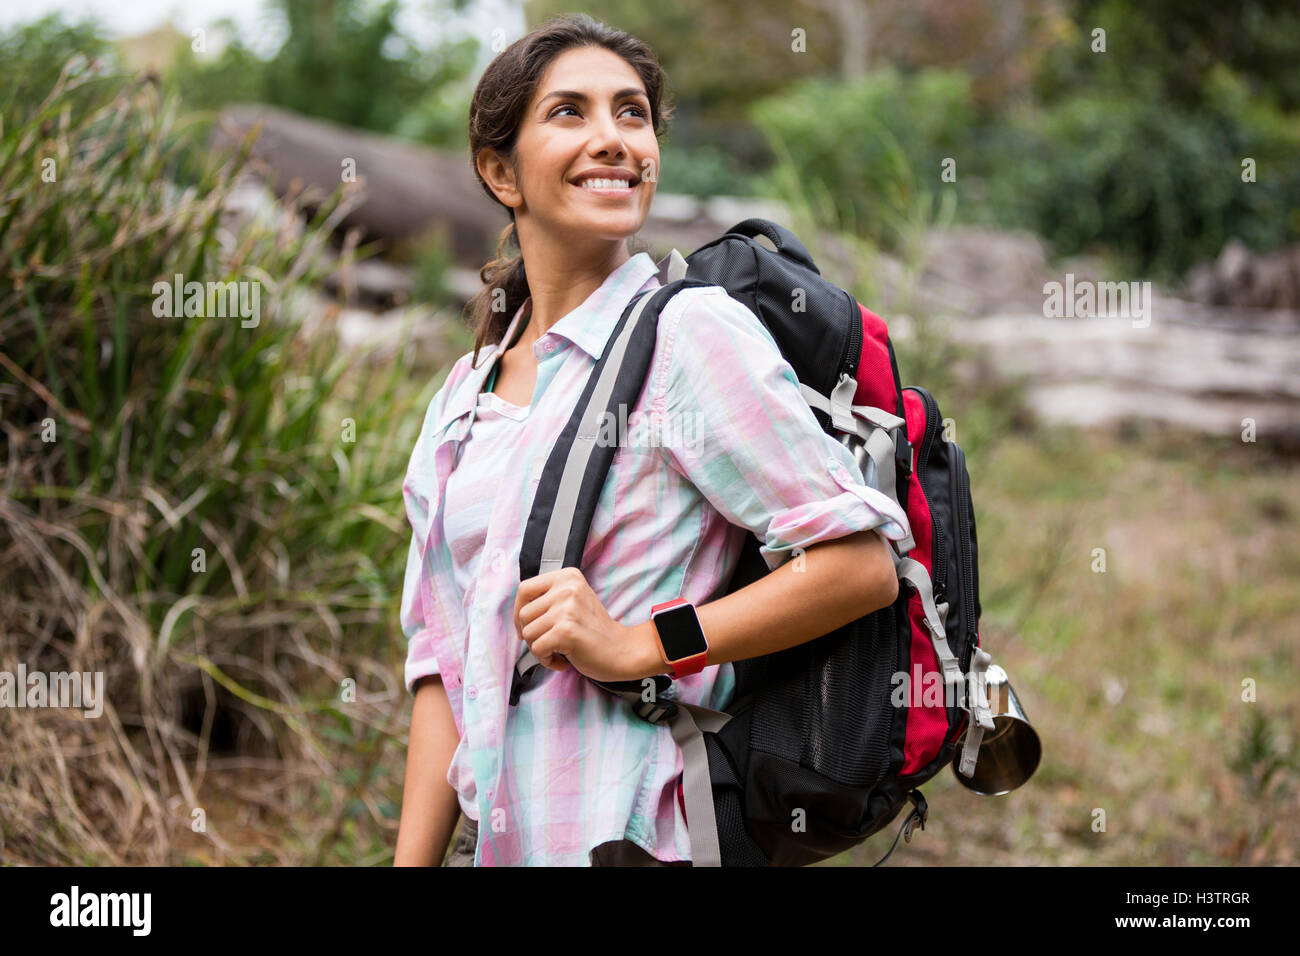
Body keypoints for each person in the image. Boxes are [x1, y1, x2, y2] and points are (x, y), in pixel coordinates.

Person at [392, 13, 909, 867]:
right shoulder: (460, 400)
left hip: (632, 834)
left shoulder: (688, 336)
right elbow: (441, 670)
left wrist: (642, 643)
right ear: (499, 171)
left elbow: (858, 566)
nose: (613, 140)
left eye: (631, 114)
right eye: (570, 113)